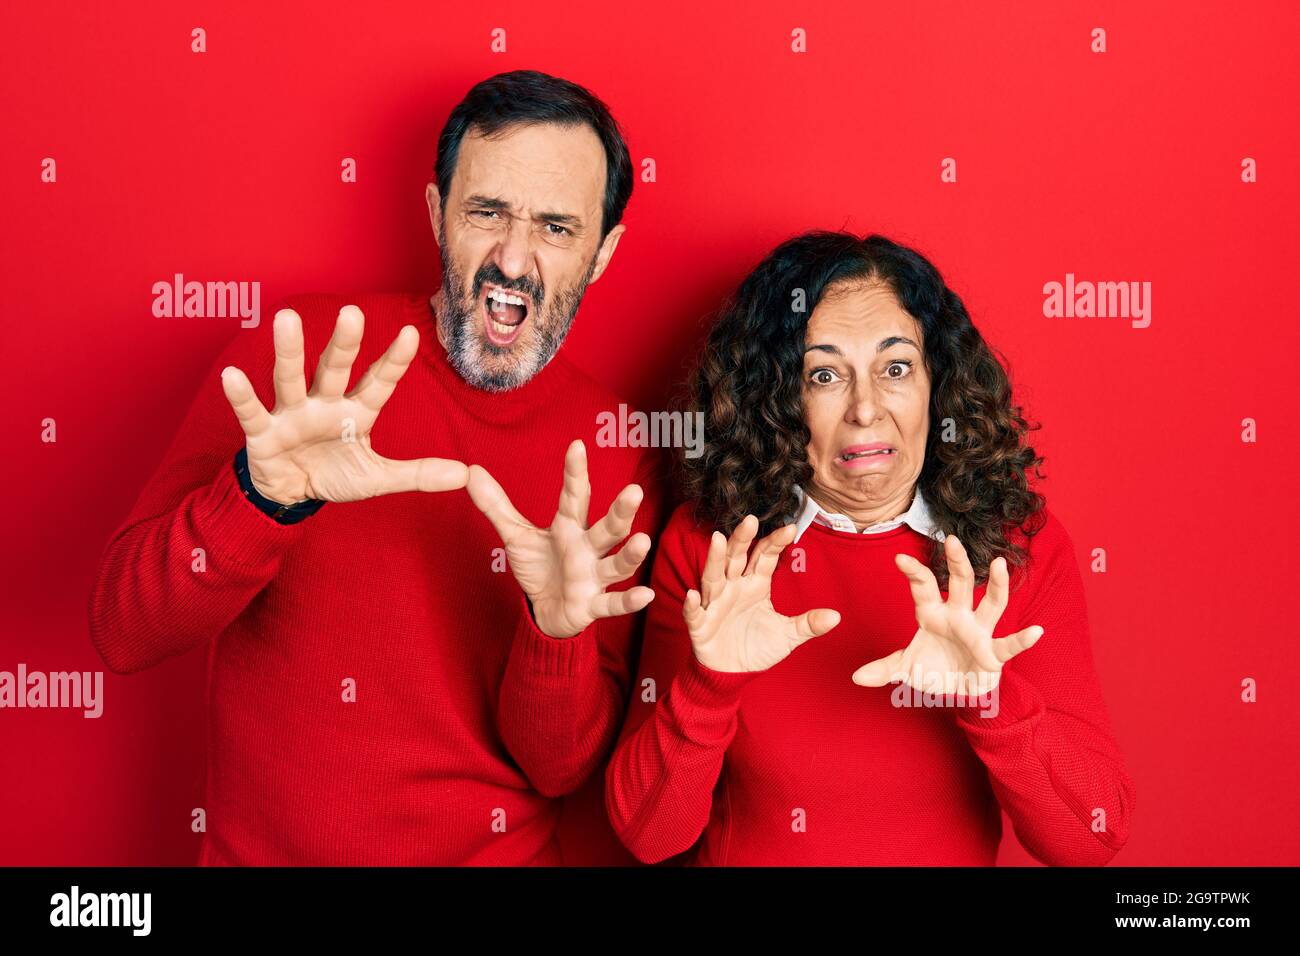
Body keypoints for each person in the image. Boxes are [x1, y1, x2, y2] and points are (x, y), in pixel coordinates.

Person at [89, 70, 668, 865]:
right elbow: (123, 633)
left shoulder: (614, 446)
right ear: (437, 214)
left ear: (603, 253)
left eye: (557, 227)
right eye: (486, 212)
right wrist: (262, 500)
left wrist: (554, 635)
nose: (513, 258)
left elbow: (559, 770)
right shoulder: (302, 363)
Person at [605, 231, 1135, 866]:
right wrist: (707, 687)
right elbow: (648, 835)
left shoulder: (1018, 545)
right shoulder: (714, 543)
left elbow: (1092, 841)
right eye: (824, 374)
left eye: (896, 368)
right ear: (777, 398)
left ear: (937, 383)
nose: (865, 409)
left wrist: (991, 702)